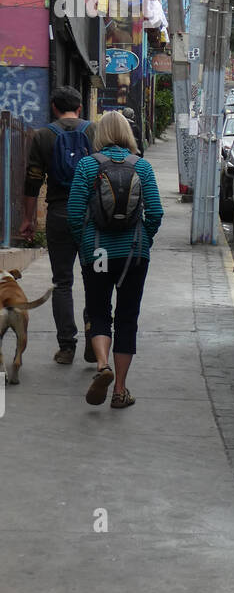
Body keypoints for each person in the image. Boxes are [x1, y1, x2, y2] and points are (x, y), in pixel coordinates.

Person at [67, 109, 163, 408]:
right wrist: (143, 239)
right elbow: (156, 212)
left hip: (97, 253)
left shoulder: (86, 165)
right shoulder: (142, 167)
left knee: (98, 312)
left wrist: (85, 245)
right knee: (127, 317)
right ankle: (120, 390)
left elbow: (73, 213)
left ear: (100, 135)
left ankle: (102, 365)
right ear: (127, 133)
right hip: (134, 254)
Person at [21, 87, 96, 364]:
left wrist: (28, 219)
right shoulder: (94, 132)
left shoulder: (43, 136)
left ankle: (66, 346)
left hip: (60, 216)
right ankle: (94, 336)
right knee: (94, 279)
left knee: (62, 282)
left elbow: (32, 181)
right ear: (79, 107)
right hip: (91, 219)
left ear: (53, 108)